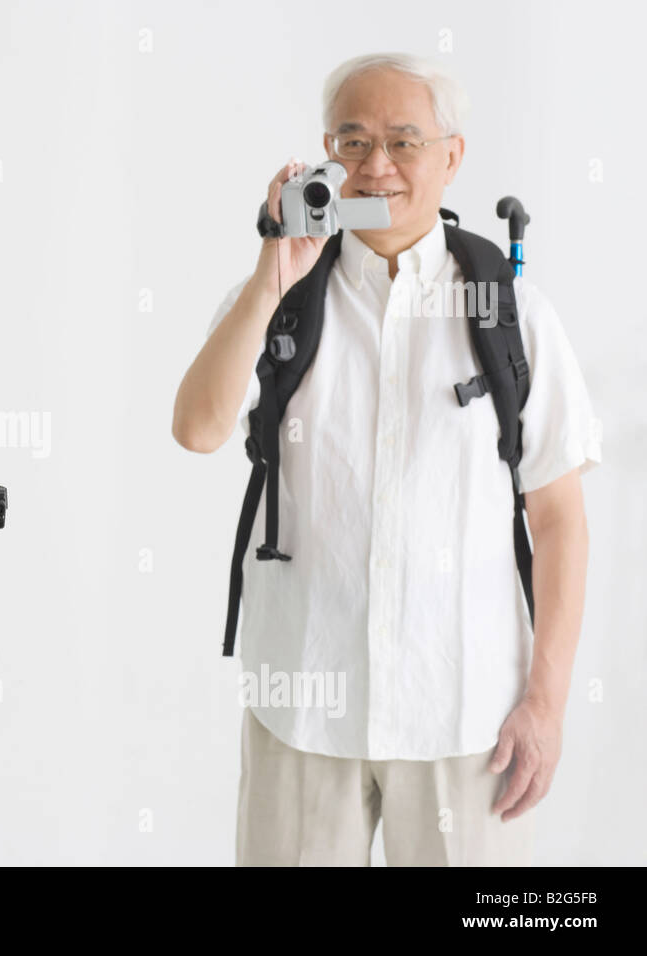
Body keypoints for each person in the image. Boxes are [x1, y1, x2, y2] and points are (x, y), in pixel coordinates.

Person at [172, 53, 600, 866]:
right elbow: (196, 428)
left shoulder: (512, 314)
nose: (376, 166)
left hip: (468, 720)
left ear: (452, 155)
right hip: (302, 705)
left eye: (404, 141)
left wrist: (545, 703)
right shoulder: (283, 295)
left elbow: (560, 522)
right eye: (353, 141)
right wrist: (271, 273)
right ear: (323, 152)